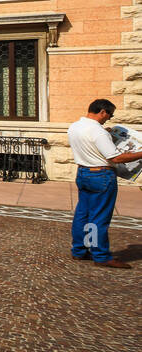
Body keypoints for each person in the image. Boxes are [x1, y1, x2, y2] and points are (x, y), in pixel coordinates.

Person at [67, 99, 142, 269]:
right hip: (101, 176)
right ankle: (100, 256)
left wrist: (106, 134)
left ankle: (79, 250)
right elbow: (116, 158)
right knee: (98, 217)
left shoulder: (75, 126)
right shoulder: (97, 131)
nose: (108, 119)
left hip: (83, 172)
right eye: (109, 115)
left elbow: (90, 141)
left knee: (83, 214)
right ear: (102, 112)